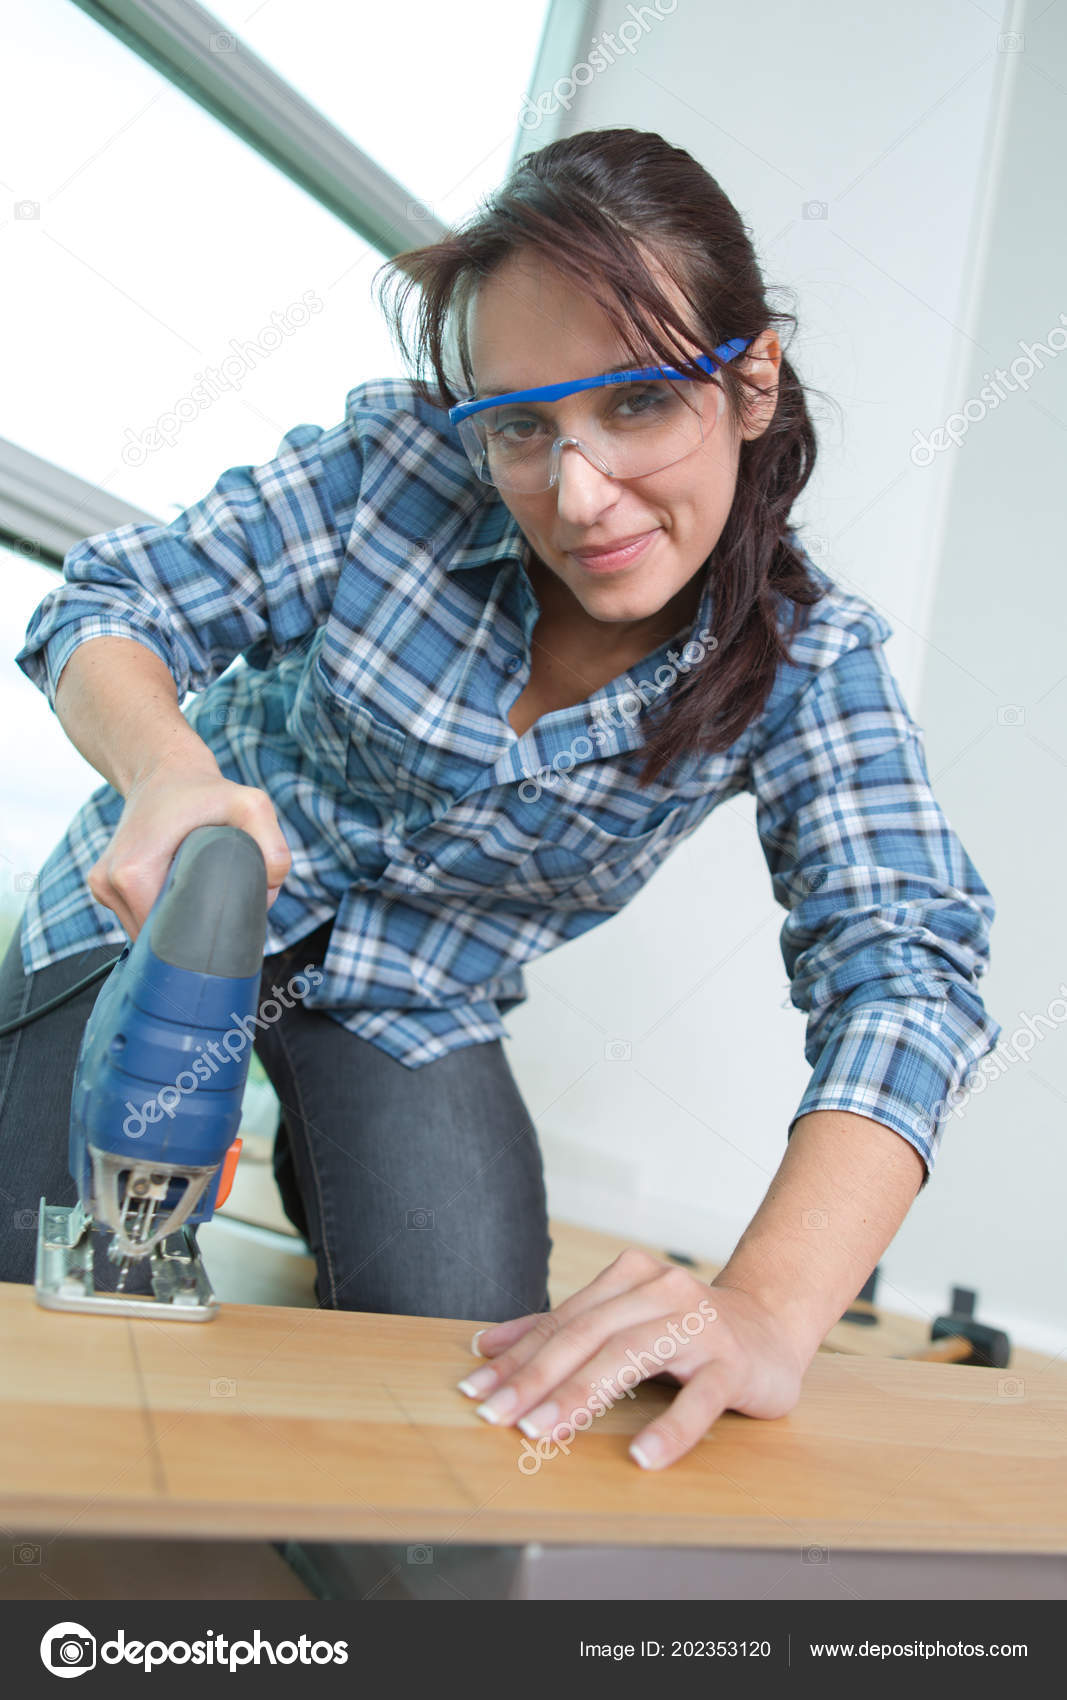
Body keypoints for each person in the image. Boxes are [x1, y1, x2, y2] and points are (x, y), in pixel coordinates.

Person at [0, 128, 1000, 1471]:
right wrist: (171, 773)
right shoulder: (391, 471)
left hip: (414, 1003)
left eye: (638, 401)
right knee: (31, 1281)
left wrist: (769, 1302)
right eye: (522, 426)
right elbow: (112, 602)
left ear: (751, 375)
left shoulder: (813, 666)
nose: (578, 495)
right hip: (168, 917)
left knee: (472, 1383)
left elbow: (909, 973)